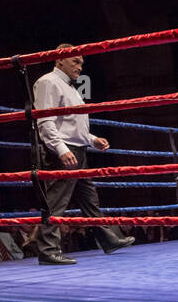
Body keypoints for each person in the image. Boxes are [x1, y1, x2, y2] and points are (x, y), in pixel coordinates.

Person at [31, 45, 135, 265]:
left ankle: (107, 240)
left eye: (81, 63)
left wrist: (92, 139)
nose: (80, 66)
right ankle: (48, 250)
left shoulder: (71, 88)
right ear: (59, 60)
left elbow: (72, 125)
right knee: (56, 201)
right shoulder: (48, 82)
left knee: (90, 200)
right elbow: (45, 122)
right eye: (75, 61)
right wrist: (61, 149)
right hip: (62, 151)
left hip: (78, 150)